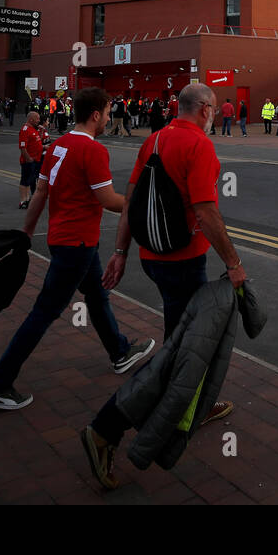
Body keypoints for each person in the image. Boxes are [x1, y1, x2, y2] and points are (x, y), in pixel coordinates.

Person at [81, 83, 248, 486]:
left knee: (183, 342)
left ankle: (194, 403)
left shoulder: (154, 140)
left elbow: (133, 200)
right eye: (214, 112)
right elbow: (206, 213)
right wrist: (234, 262)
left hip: (151, 257)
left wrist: (120, 253)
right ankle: (105, 429)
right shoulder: (200, 147)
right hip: (183, 262)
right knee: (177, 354)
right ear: (207, 110)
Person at [0, 87, 155, 411]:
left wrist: (27, 232)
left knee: (97, 294)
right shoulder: (92, 150)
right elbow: (109, 200)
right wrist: (143, 203)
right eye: (106, 112)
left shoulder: (58, 145)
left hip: (66, 239)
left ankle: (119, 352)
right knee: (43, 312)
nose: (107, 118)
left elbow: (41, 193)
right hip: (77, 242)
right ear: (95, 115)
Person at [17, 110, 45, 208]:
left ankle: (27, 198)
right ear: (31, 119)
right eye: (37, 119)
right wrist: (28, 158)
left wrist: (41, 131)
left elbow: (38, 141)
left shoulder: (33, 129)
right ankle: (23, 200)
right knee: (24, 180)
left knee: (29, 180)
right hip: (29, 161)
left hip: (35, 160)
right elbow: (22, 147)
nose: (39, 120)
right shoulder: (25, 130)